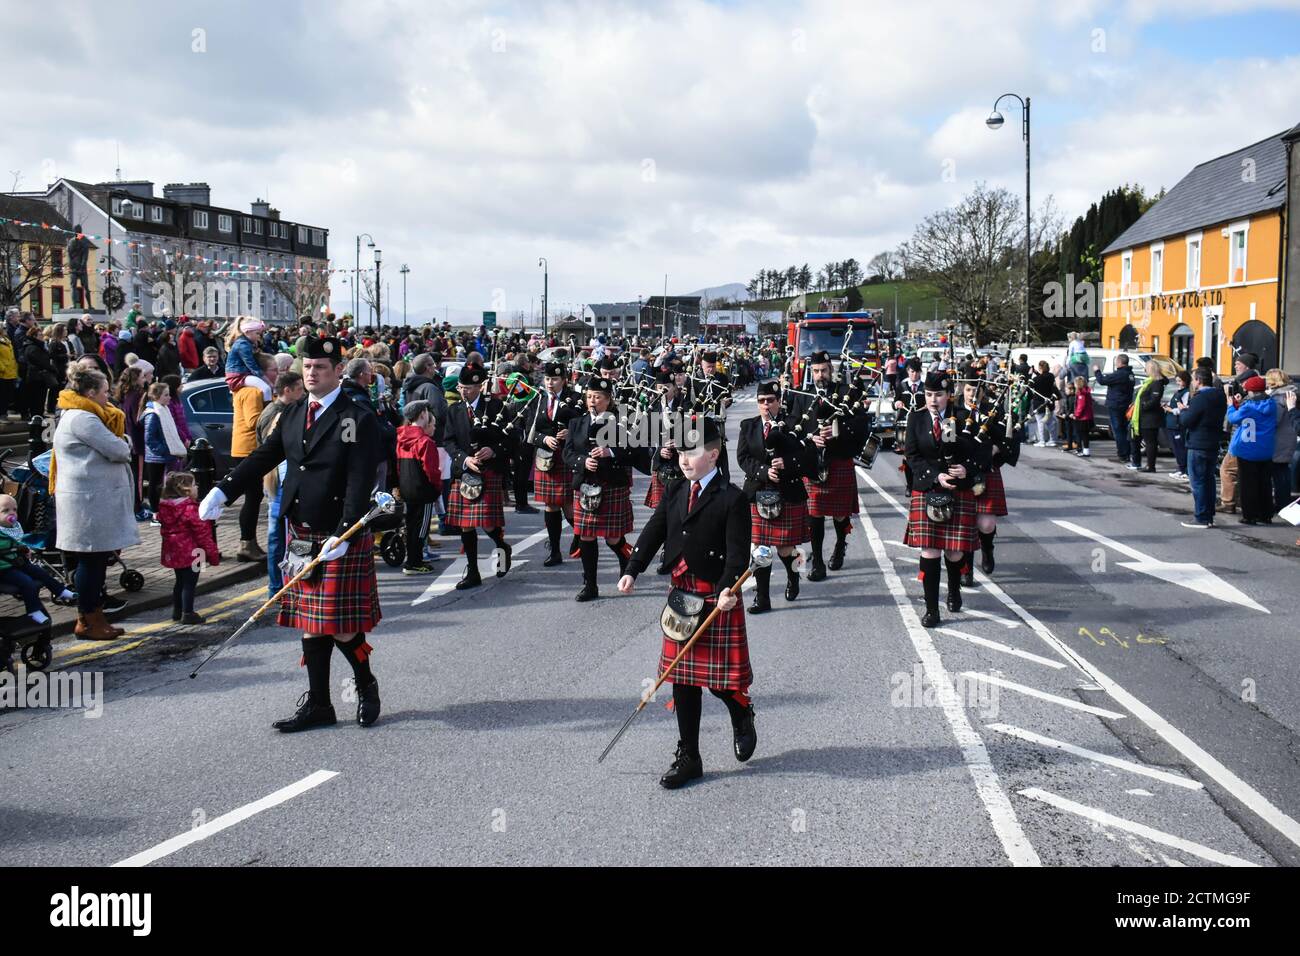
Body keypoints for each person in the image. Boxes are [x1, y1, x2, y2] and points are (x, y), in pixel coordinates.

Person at [202, 335, 385, 732]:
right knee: (309, 621)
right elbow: (266, 455)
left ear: (338, 370)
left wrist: (346, 534)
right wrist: (224, 488)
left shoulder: (355, 418)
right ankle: (320, 704)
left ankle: (365, 684)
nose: (312, 372)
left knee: (340, 625)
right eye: (307, 366)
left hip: (338, 532)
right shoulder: (293, 412)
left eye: (320, 367)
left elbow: (359, 480)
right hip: (300, 530)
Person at [619, 417, 754, 790]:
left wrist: (729, 588)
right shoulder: (676, 489)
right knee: (681, 676)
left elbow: (738, 553)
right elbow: (655, 529)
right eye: (679, 451)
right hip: (682, 592)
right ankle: (689, 755)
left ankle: (741, 710)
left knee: (719, 681)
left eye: (691, 452)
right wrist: (633, 567)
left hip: (716, 593)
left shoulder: (732, 497)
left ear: (713, 455)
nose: (683, 459)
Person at [52, 367, 139, 640]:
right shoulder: (84, 419)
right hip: (88, 505)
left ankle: (92, 618)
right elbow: (120, 450)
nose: (108, 395)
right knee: (92, 564)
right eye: (104, 391)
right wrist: (122, 440)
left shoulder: (82, 415)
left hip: (89, 503)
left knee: (95, 562)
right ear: (90, 393)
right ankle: (89, 621)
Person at [903, 371, 981, 628]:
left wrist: (966, 469)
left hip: (958, 489)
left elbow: (979, 450)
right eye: (928, 395)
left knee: (955, 551)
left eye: (938, 395)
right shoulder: (916, 417)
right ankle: (931, 609)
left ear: (949, 395)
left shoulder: (962, 417)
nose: (933, 400)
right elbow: (912, 456)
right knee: (930, 550)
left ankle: (955, 589)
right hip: (928, 488)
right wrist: (936, 476)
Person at [563, 376, 642, 602]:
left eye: (597, 397)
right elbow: (567, 454)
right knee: (586, 536)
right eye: (589, 397)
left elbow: (636, 451)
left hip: (612, 484)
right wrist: (582, 462)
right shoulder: (576, 423)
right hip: (585, 485)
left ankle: (625, 561)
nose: (592, 401)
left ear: (608, 400)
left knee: (613, 538)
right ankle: (590, 584)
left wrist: (611, 452)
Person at [791, 351, 868, 580]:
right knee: (814, 515)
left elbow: (862, 424)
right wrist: (809, 437)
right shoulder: (803, 395)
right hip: (814, 462)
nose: (820, 375)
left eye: (824, 370)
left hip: (838, 459)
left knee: (840, 515)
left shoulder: (846, 392)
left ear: (831, 371)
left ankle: (840, 544)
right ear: (810, 372)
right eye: (816, 371)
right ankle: (818, 562)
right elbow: (793, 423)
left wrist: (838, 431)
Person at [736, 381, 812, 613]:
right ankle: (763, 598)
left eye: (770, 400)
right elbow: (743, 458)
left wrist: (787, 464)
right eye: (761, 401)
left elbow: (808, 458)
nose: (766, 404)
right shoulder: (748, 426)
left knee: (786, 550)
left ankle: (794, 576)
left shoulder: (794, 425)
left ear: (779, 401)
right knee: (760, 550)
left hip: (787, 492)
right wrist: (763, 470)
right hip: (758, 492)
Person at [441, 363, 513, 591]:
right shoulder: (454, 410)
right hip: (465, 471)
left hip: (489, 469)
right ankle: (473, 571)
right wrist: (464, 459)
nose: (463, 391)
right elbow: (449, 441)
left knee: (488, 524)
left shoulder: (496, 407)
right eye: (461, 387)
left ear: (480, 386)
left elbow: (512, 438)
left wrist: (494, 450)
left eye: (469, 388)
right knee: (465, 525)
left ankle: (502, 546)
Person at [522, 361, 580, 566]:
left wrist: (571, 433)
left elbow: (585, 426)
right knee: (551, 505)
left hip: (566, 457)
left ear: (564, 380)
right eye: (547, 379)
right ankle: (555, 550)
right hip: (546, 458)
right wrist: (544, 439)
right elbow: (530, 431)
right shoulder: (538, 400)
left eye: (554, 379)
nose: (550, 383)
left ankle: (580, 537)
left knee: (568, 504)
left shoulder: (574, 399)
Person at [258, 371, 305, 595]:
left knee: (287, 537)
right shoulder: (278, 415)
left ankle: (287, 585)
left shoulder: (284, 411)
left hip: (283, 480)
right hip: (279, 482)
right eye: (300, 388)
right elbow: (269, 451)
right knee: (284, 538)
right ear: (287, 390)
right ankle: (280, 586)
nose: (303, 393)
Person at [229, 353, 279, 561]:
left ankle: (250, 542)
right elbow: (253, 422)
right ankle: (246, 543)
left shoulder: (255, 390)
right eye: (273, 370)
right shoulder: (252, 392)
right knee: (252, 498)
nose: (277, 374)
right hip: (248, 449)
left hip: (249, 448)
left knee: (254, 497)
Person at [0, 493, 77, 625]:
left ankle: (61, 591)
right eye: (5, 511)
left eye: (14, 509)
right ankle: (33, 611)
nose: (11, 513)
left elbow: (17, 543)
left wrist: (24, 549)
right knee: (27, 581)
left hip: (16, 563)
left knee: (40, 572)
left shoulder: (12, 528)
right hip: (4, 569)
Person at [157, 471, 219, 624]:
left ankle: (177, 611)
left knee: (179, 582)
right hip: (193, 552)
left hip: (174, 550)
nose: (196, 486)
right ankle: (188, 613)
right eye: (193, 484)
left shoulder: (165, 507)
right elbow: (203, 535)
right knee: (190, 583)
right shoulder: (191, 509)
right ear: (185, 489)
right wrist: (213, 555)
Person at [395, 400, 443, 574]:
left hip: (407, 487)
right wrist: (437, 488)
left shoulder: (401, 437)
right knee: (421, 528)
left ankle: (413, 559)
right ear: (423, 414)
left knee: (411, 525)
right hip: (424, 489)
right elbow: (432, 471)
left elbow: (398, 466)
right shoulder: (425, 441)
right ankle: (415, 562)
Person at [1176, 367, 1227, 529]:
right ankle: (1208, 515)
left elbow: (1187, 421)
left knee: (1198, 481)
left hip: (1198, 442)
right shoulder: (1219, 395)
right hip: (1212, 441)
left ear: (1198, 380)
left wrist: (1184, 412)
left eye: (1193, 379)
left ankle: (1201, 517)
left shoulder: (1200, 398)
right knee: (1208, 480)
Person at [1227, 375, 1277, 525]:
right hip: (1266, 449)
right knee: (1264, 483)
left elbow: (1233, 418)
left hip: (1247, 449)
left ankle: (1250, 515)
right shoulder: (1272, 404)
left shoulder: (1248, 407)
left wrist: (1231, 405)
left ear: (1252, 392)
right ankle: (1266, 514)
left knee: (1248, 484)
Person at [1219, 351, 1260, 513]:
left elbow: (1239, 416)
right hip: (1248, 437)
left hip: (1242, 437)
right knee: (1244, 472)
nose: (1235, 365)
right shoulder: (1251, 386)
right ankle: (1240, 501)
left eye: (1238, 363)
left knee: (1227, 469)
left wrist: (1232, 403)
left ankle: (1228, 503)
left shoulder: (1248, 386)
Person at [139, 381, 187, 516]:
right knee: (155, 484)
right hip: (156, 456)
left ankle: (163, 509)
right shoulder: (153, 414)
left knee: (163, 484)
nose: (169, 397)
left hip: (164, 455)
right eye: (166, 395)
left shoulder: (164, 410)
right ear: (156, 396)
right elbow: (149, 439)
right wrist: (164, 450)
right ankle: (155, 512)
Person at [1264, 369, 1296, 514]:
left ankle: (1281, 504)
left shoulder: (1278, 398)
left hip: (1278, 440)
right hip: (1288, 438)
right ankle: (1284, 502)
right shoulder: (1291, 394)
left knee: (1278, 473)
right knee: (1283, 472)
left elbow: (1274, 420)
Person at [1128, 360, 1167, 473]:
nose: (1145, 370)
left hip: (1150, 418)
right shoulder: (1149, 382)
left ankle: (1151, 466)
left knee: (1150, 442)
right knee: (1145, 441)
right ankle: (1144, 464)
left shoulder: (1157, 383)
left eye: (1146, 368)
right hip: (1144, 417)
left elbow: (1154, 400)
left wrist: (1143, 406)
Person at [1095, 354, 1135, 461]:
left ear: (1120, 362)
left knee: (1118, 430)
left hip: (1116, 405)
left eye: (1116, 361)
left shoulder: (1120, 374)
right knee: (1123, 429)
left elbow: (1102, 381)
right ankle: (1126, 453)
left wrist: (1097, 371)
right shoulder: (1130, 374)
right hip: (1125, 404)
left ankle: (1122, 454)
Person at [20, 325, 58, 421]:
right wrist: (52, 368)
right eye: (40, 335)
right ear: (34, 336)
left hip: (40, 376)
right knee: (36, 397)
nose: (42, 336)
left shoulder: (39, 346)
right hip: (36, 376)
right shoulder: (32, 347)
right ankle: (36, 415)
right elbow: (41, 362)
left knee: (41, 397)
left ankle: (39, 414)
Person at [224, 316, 270, 395]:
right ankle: (268, 406)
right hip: (237, 376)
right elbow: (252, 365)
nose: (259, 336)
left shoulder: (246, 343)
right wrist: (265, 379)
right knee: (267, 389)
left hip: (242, 373)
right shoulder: (242, 344)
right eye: (257, 333)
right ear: (247, 331)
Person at [1163, 370, 1192, 480]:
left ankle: (1184, 470)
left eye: (1180, 381)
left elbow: (1183, 409)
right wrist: (1167, 407)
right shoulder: (1178, 391)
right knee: (1175, 448)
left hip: (1177, 424)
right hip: (1171, 423)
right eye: (1177, 381)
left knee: (1180, 448)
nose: (1178, 383)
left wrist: (1171, 410)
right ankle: (1181, 468)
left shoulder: (1186, 392)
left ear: (1185, 381)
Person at [1029, 360, 1059, 447]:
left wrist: (1031, 374)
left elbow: (1030, 385)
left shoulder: (1036, 379)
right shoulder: (1051, 376)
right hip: (1049, 402)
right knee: (1050, 422)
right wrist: (1037, 373)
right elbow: (1044, 378)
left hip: (1039, 403)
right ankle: (1052, 440)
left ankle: (1042, 441)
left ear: (1040, 368)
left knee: (1040, 422)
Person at [1072, 375, 1094, 457]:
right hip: (1088, 417)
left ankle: (1084, 451)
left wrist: (1076, 415)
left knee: (1082, 434)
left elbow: (1081, 406)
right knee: (1085, 435)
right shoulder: (1086, 392)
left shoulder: (1081, 393)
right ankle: (1085, 450)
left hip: (1082, 418)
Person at [0, 328, 17, 418]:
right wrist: (2, 368)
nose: (5, 330)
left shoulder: (7, 340)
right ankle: (2, 413)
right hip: (2, 373)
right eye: (3, 328)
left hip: (10, 372)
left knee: (7, 394)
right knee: (2, 395)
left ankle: (4, 412)